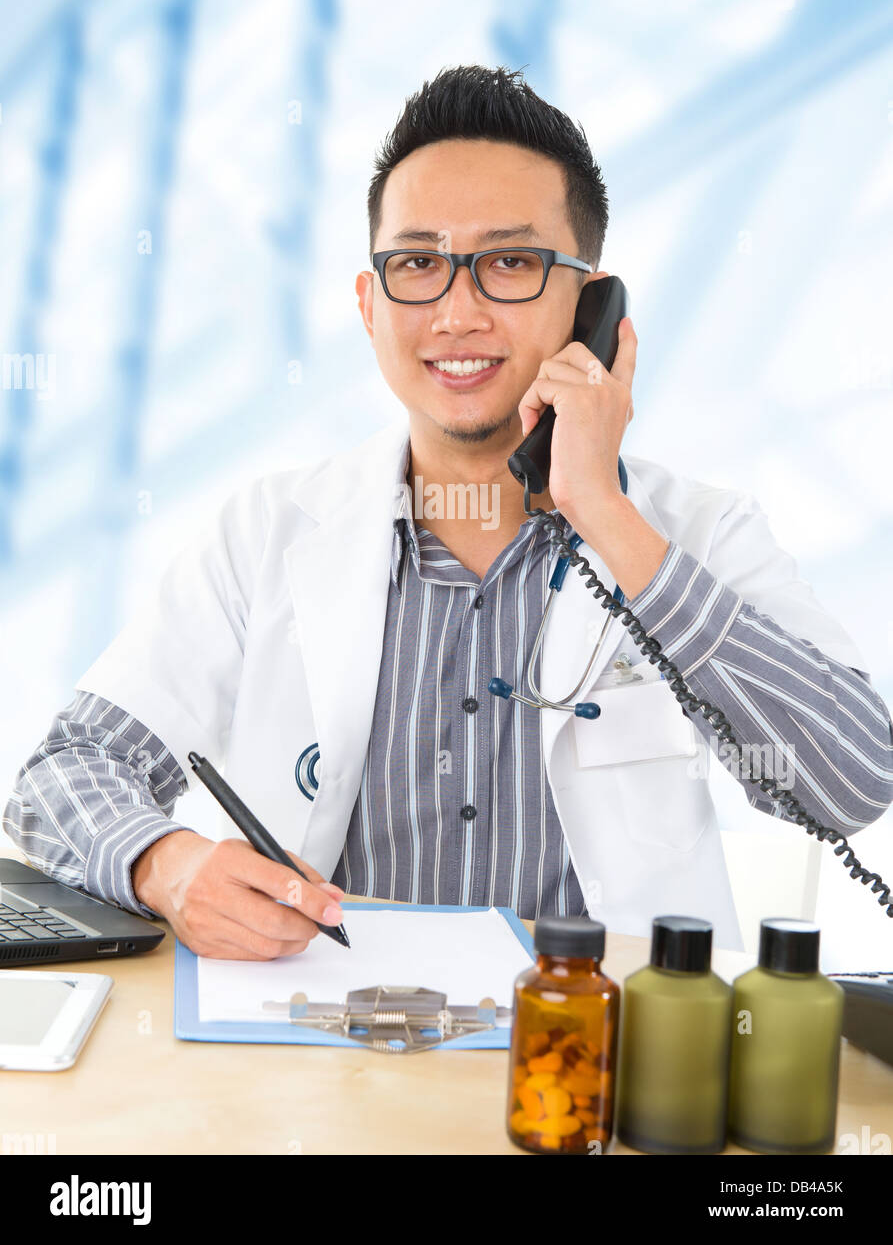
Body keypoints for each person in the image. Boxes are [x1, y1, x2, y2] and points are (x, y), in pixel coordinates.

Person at [5, 65, 892, 959]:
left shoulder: (694, 533)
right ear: (369, 305)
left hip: (601, 1058)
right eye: (418, 265)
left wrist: (603, 515)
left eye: (509, 263)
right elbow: (60, 777)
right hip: (311, 1056)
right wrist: (167, 862)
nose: (457, 312)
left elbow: (852, 782)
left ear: (592, 308)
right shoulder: (268, 530)